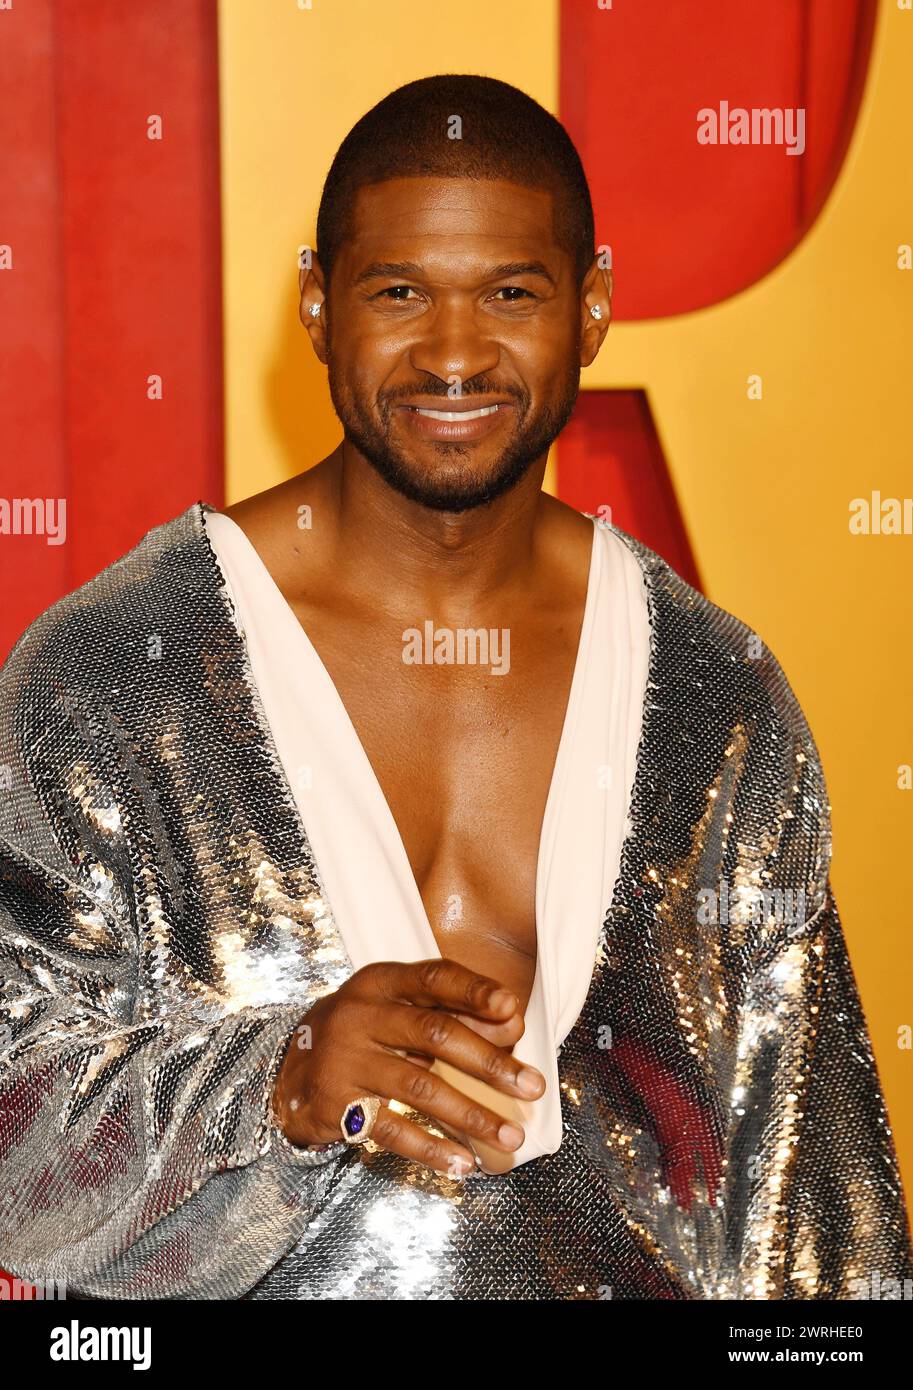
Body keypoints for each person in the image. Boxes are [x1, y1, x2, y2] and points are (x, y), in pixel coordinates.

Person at [0, 74, 910, 1301]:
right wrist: (282, 1078)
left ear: (592, 308)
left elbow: (811, 1214)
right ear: (316, 305)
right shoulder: (113, 672)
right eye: (398, 293)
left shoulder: (712, 695)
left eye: (511, 293)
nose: (453, 354)